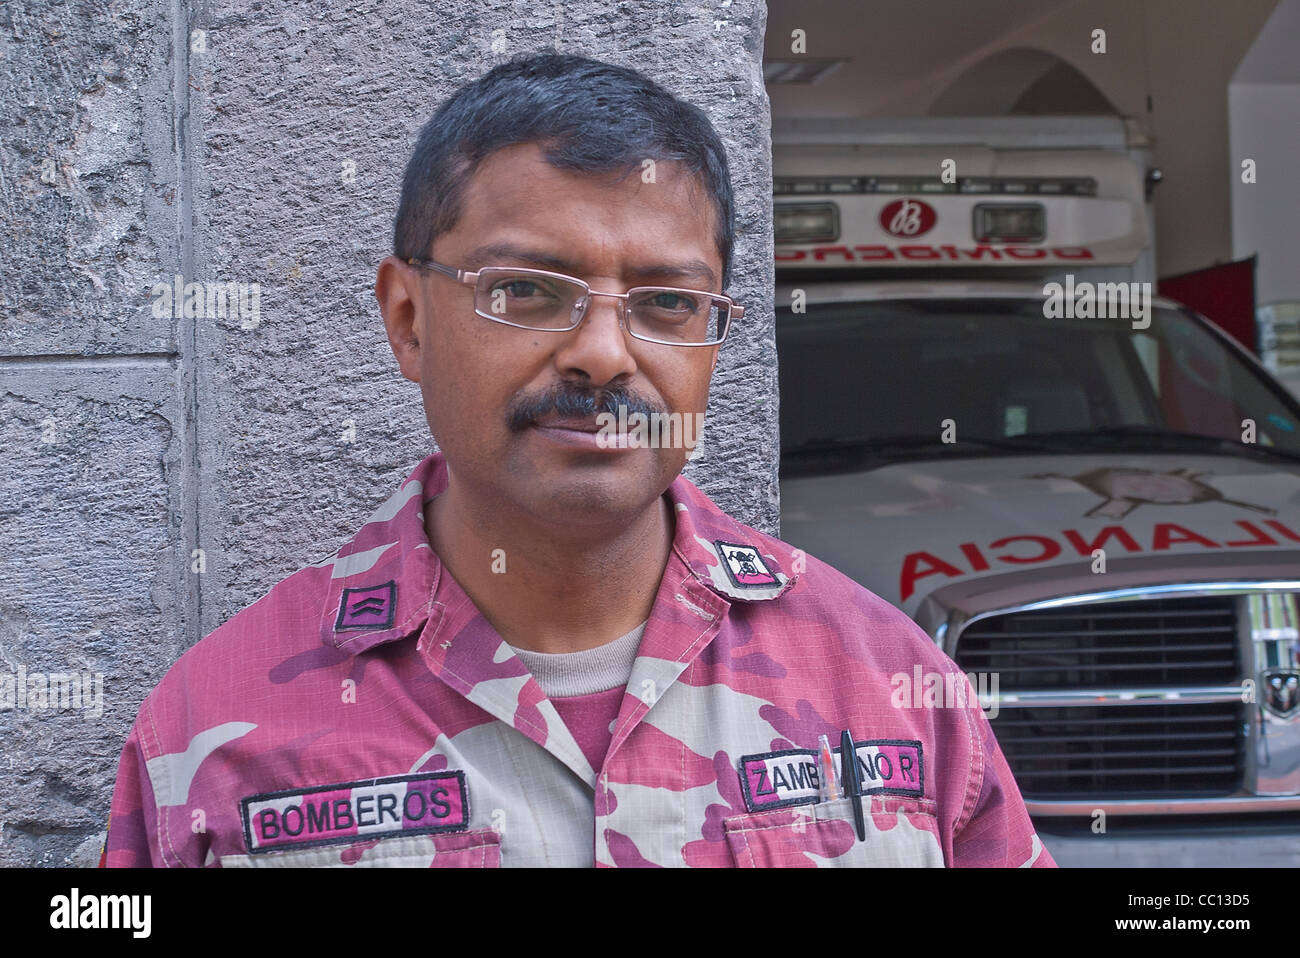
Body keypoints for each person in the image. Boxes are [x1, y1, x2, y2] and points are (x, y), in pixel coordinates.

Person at [102, 52, 1054, 868]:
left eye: (668, 303)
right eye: (525, 291)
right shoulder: (214, 736)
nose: (603, 353)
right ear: (407, 320)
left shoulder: (891, 688)